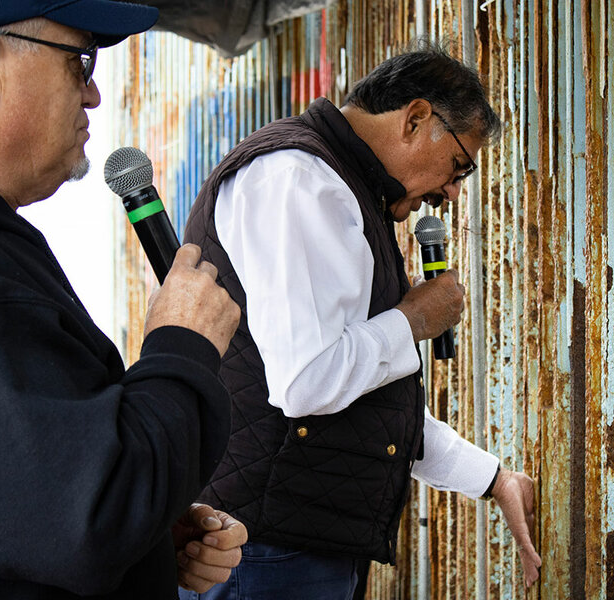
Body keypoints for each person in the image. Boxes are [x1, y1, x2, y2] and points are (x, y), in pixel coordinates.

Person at [0, 1, 247, 598]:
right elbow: (81, 521)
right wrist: (182, 351)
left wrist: (147, 535)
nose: (94, 97)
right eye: (80, 63)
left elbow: (3, 497)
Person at [180, 43, 542, 599]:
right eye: (459, 166)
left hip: (289, 546)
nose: (450, 193)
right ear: (416, 118)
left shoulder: (341, 188)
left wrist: (491, 479)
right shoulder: (299, 180)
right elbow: (308, 381)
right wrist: (414, 319)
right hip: (263, 551)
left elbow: (364, 404)